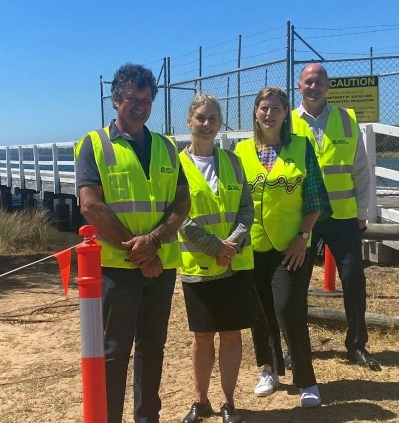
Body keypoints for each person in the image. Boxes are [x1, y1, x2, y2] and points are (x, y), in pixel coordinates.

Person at [75, 63, 191, 423]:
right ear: (115, 100)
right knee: (114, 351)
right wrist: (139, 252)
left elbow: (182, 202)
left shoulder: (167, 147)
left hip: (161, 266)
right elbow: (90, 204)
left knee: (153, 347)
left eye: (146, 99)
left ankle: (148, 418)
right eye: (131, 98)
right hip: (116, 268)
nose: (139, 105)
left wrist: (154, 241)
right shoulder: (93, 144)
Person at [234, 86, 332, 408]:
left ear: (285, 114)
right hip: (252, 246)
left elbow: (316, 199)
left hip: (292, 246)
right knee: (260, 312)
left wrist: (303, 237)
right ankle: (269, 369)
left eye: (276, 108)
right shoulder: (241, 152)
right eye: (263, 108)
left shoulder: (302, 148)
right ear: (255, 112)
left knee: (289, 309)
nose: (269, 114)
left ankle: (306, 379)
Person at [291, 63, 381, 371]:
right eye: (307, 81)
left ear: (328, 86)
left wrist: (363, 212)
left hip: (343, 218)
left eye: (318, 81)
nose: (313, 86)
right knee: (295, 285)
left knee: (354, 280)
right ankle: (295, 348)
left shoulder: (346, 119)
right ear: (298, 86)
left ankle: (356, 345)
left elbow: (361, 171)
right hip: (302, 218)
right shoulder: (287, 123)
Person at [177, 94, 260, 423]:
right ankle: (200, 401)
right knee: (201, 337)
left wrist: (232, 243)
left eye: (213, 118)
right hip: (198, 267)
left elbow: (246, 209)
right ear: (189, 122)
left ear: (220, 123)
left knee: (230, 334)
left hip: (234, 265)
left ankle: (228, 402)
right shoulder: (177, 165)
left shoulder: (233, 161)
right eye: (201, 118)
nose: (207, 124)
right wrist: (214, 247)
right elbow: (177, 217)